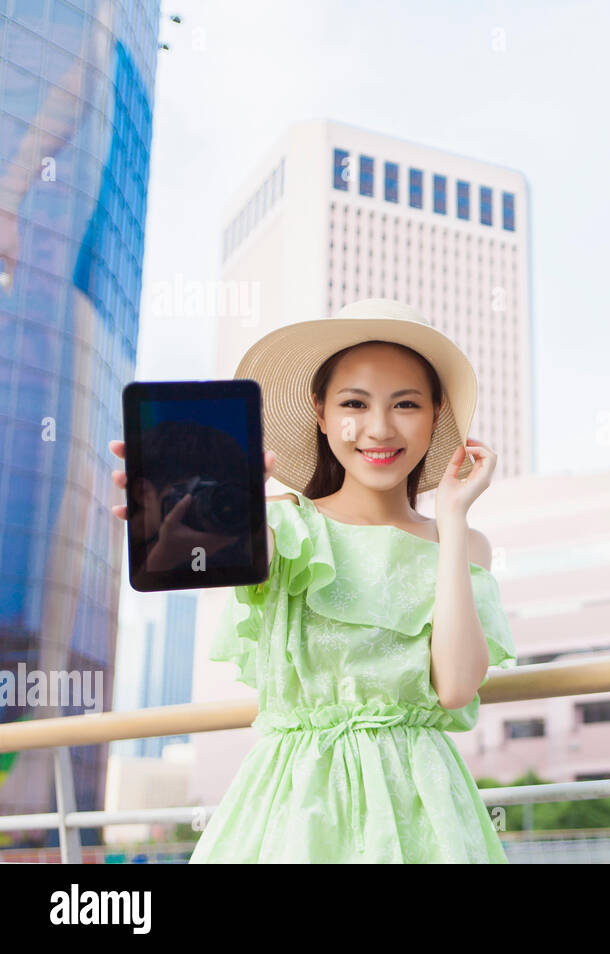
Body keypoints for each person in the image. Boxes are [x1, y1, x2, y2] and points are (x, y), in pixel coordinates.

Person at [108, 298, 517, 862]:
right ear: (320, 413)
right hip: (294, 811)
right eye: (355, 403)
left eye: (406, 404)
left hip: (425, 813)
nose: (379, 427)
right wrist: (172, 524)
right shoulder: (282, 524)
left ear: (435, 414)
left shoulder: (464, 544)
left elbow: (454, 688)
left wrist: (451, 518)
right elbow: (197, 555)